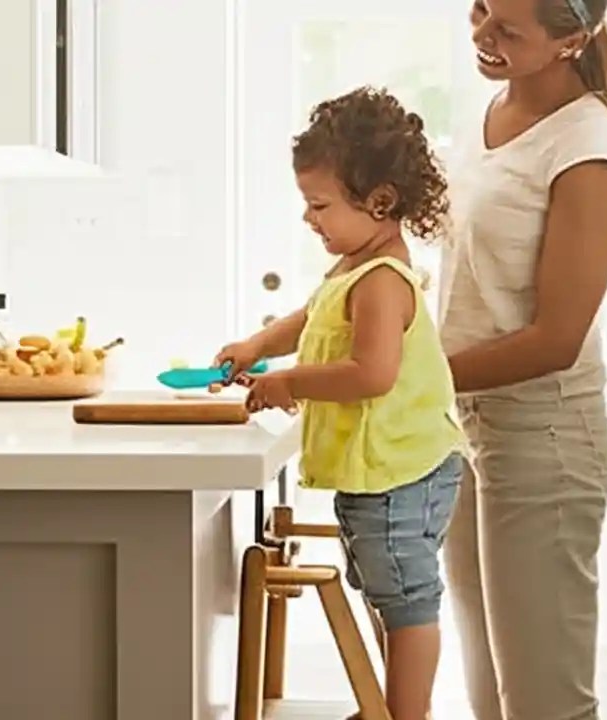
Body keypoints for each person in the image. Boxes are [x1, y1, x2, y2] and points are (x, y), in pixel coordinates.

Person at [214, 86, 465, 720]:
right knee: (388, 591)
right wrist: (256, 346)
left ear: (380, 202)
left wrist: (290, 383)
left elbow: (373, 373)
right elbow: (310, 318)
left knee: (406, 599)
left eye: (319, 204)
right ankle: (394, 706)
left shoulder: (382, 282)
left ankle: (408, 714)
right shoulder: (354, 267)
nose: (310, 218)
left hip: (402, 470)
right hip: (383, 470)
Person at [438, 0, 607, 718]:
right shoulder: (487, 117)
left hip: (544, 442)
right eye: (479, 10)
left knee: (543, 702)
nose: (482, 35)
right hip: (470, 430)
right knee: (491, 698)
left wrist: (412, 378)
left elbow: (556, 338)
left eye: (508, 30)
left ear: (573, 39)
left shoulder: (589, 144)